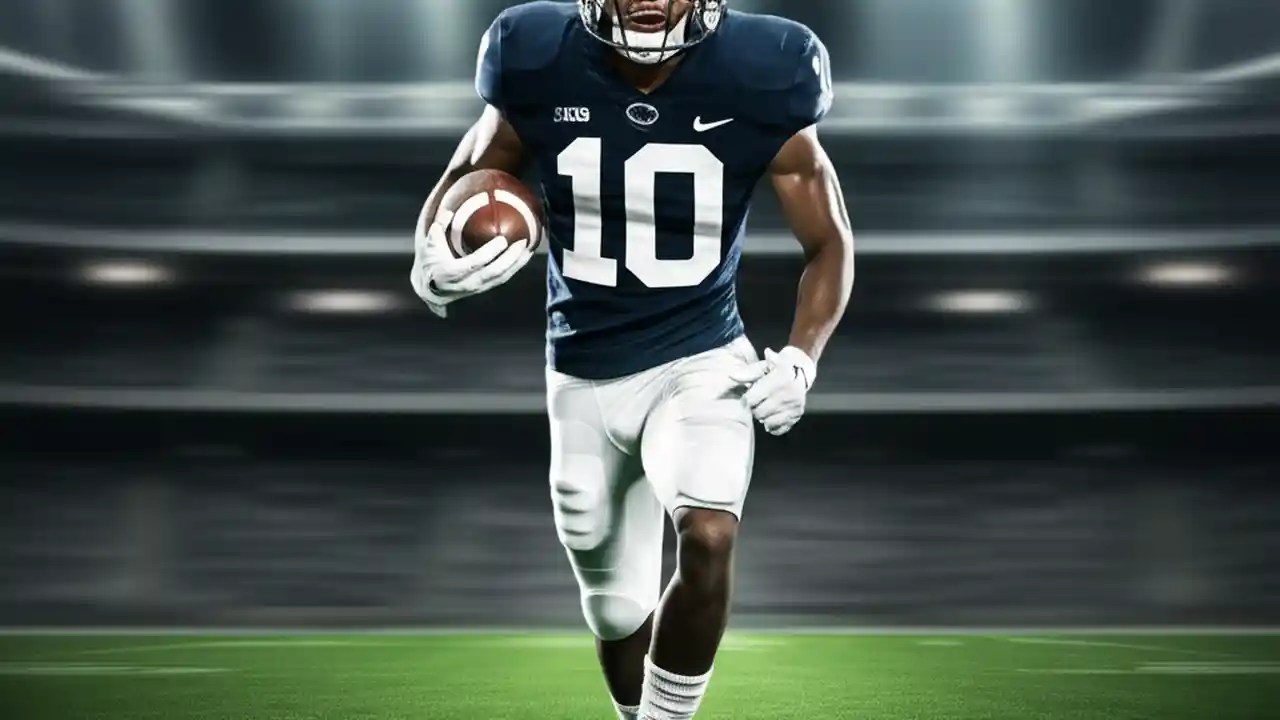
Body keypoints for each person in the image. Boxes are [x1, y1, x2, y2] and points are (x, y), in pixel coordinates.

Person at [410, 1, 854, 717]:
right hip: (581, 372)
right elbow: (473, 171)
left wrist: (802, 358)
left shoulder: (765, 69)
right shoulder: (535, 53)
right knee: (616, 609)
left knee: (708, 535)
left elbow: (829, 241)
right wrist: (429, 257)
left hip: (702, 357)